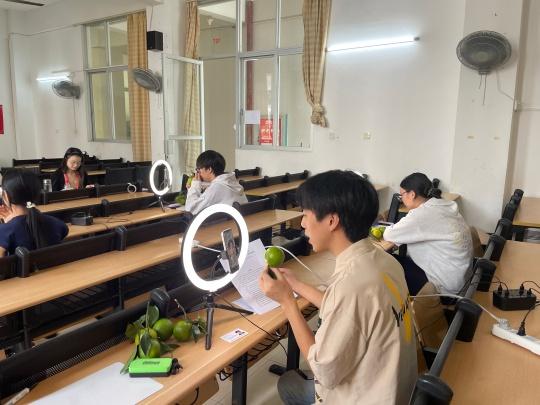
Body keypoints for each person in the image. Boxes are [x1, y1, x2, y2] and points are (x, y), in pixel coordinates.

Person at [259, 170, 417, 404]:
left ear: (332, 221)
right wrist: (296, 284)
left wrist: (287, 302)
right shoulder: (385, 260)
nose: (302, 224)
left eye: (306, 215)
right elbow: (347, 310)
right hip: (397, 389)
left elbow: (323, 371)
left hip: (366, 397)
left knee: (288, 383)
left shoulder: (351, 285)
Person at [383, 172, 473, 295]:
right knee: (396, 260)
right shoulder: (444, 205)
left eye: (401, 195)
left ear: (412, 194)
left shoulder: (423, 214)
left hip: (444, 288)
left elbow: (389, 234)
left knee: (384, 263)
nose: (401, 199)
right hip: (460, 281)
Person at [0, 170, 68, 257]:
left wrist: (7, 226)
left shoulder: (5, 230)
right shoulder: (55, 223)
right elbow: (64, 230)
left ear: (5, 196)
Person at [185, 150, 248, 215]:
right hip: (234, 220)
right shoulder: (230, 182)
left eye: (198, 170)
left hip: (223, 221)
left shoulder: (216, 188)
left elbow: (190, 210)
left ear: (209, 169)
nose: (198, 173)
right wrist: (197, 186)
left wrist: (194, 186)